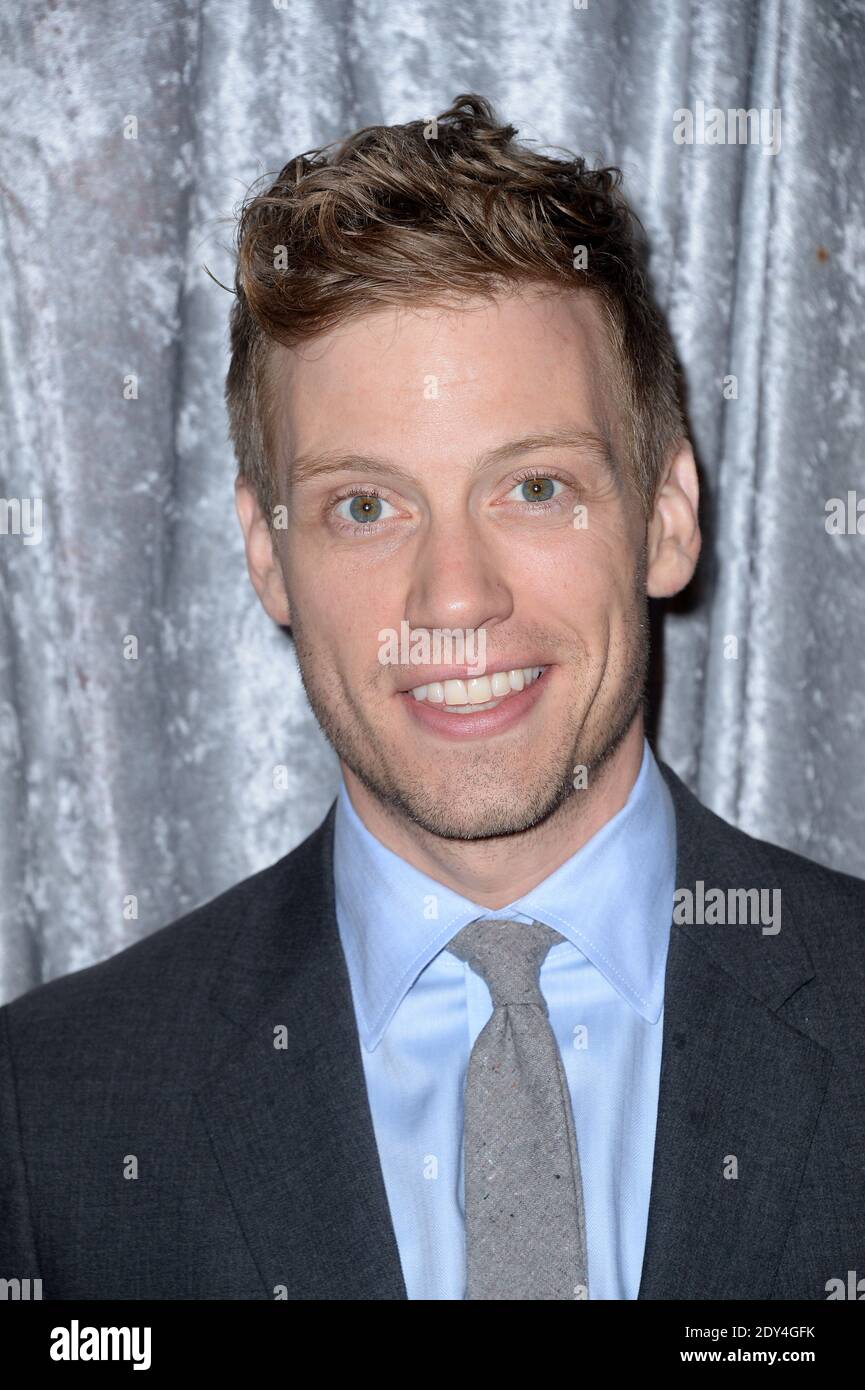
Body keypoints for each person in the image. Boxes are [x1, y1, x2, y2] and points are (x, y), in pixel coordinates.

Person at [1, 94, 863, 1301]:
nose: (452, 600)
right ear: (266, 554)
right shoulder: (49, 1119)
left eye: (535, 488)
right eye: (365, 504)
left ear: (666, 516)